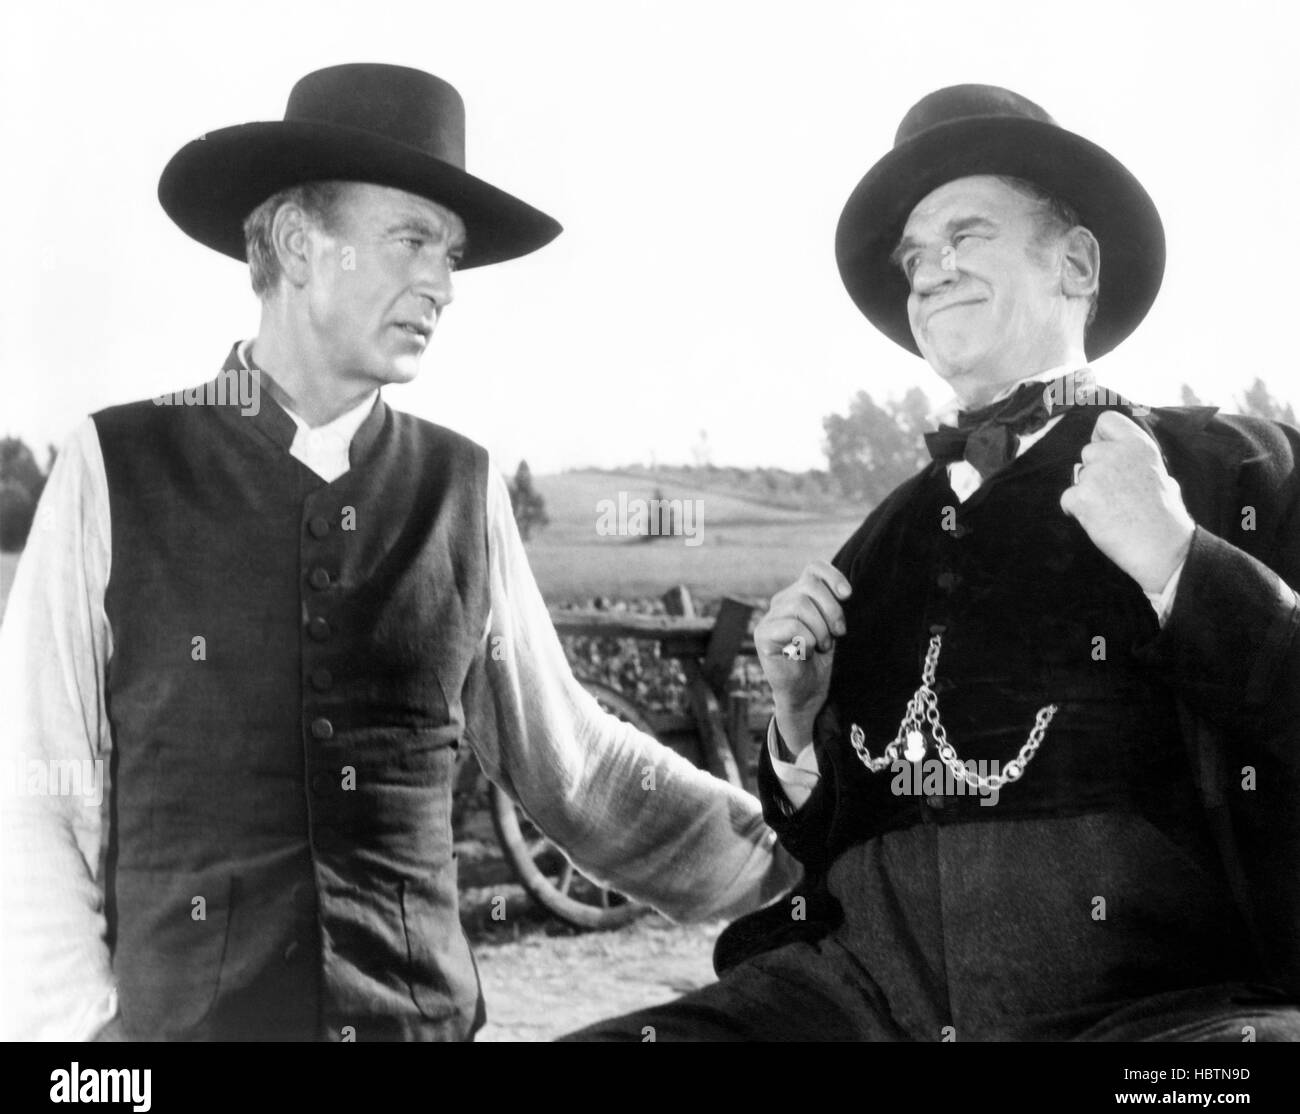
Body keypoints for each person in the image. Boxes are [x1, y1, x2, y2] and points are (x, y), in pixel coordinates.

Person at [0, 62, 798, 1042]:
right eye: (412, 239)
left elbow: (574, 763)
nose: (443, 285)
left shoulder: (460, 488)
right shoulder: (114, 468)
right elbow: (36, 789)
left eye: (452, 253)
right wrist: (78, 1045)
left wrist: (797, 858)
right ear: (297, 243)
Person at [564, 84, 1300, 1041]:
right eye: (917, 257)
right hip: (856, 1000)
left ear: (1075, 264)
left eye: (968, 235)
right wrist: (796, 726)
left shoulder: (1235, 470)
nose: (932, 271)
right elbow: (832, 834)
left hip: (1155, 1014)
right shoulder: (880, 537)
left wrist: (1181, 562)